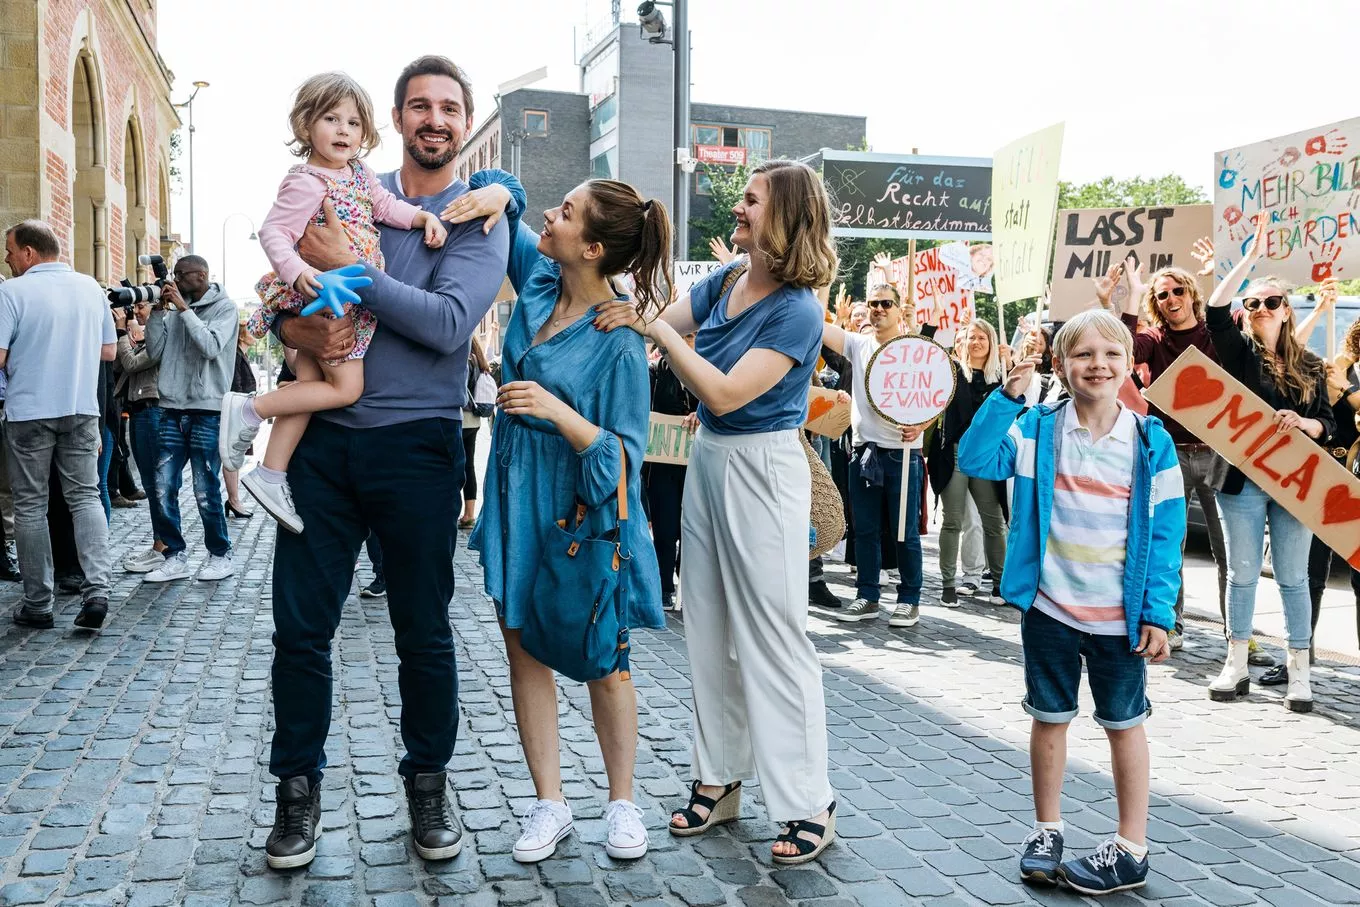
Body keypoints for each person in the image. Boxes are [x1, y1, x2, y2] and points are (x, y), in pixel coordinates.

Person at [255, 55, 522, 872]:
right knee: (301, 629)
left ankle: (428, 786)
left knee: (423, 631)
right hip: (324, 448)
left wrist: (353, 267)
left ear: (465, 121)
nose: (435, 119)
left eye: (450, 107)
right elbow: (282, 296)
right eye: (419, 105)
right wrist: (293, 325)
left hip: (417, 446)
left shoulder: (478, 217)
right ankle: (296, 791)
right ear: (396, 119)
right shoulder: (343, 187)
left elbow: (446, 325)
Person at [596, 159, 838, 865]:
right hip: (709, 459)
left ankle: (809, 801)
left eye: (751, 200)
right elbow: (657, 325)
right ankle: (720, 774)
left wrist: (660, 333)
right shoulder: (730, 278)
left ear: (784, 215)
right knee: (706, 623)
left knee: (774, 634)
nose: (739, 207)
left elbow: (726, 391)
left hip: (764, 465)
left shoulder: (798, 309)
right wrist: (620, 312)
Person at [469, 180, 667, 864]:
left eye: (568, 212)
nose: (552, 215)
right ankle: (549, 802)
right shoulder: (539, 279)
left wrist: (558, 412)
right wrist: (499, 196)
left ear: (593, 248)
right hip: (516, 497)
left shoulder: (619, 340)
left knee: (605, 659)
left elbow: (625, 460)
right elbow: (497, 193)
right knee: (523, 649)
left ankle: (622, 802)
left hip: (582, 510)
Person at [959, 308, 1182, 895]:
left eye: (1110, 354)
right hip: (1050, 609)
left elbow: (1167, 533)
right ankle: (1047, 829)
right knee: (1049, 718)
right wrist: (1007, 396)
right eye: (1082, 354)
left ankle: (1132, 846)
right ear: (1059, 365)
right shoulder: (1035, 427)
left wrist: (1158, 612)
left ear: (1129, 365)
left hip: (1119, 620)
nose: (1097, 365)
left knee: (1124, 725)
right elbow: (975, 459)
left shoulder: (1150, 442)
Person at [221, 72, 449, 532]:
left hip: (348, 295)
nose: (344, 130)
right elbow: (274, 232)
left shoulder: (360, 174)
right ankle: (249, 410)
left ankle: (269, 473)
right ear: (306, 124)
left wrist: (422, 216)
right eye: (331, 119)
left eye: (353, 122)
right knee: (345, 389)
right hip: (330, 295)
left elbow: (386, 207)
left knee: (307, 387)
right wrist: (299, 273)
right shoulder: (307, 182)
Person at [1205, 219, 1333, 712]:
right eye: (1253, 303)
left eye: (1271, 302)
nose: (1261, 309)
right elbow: (1216, 311)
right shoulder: (1239, 354)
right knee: (1241, 573)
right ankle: (1235, 663)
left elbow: (1329, 424)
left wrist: (1306, 423)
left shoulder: (1312, 366)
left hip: (1295, 481)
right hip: (1241, 479)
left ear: (1286, 310)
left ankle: (1299, 671)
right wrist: (1249, 257)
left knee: (1293, 577)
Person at [1102, 252, 1229, 655]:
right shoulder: (1155, 340)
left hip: (1218, 452)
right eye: (1161, 295)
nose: (1171, 299)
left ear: (1191, 294)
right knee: (1169, 545)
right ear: (1155, 304)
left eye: (1177, 291)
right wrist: (1127, 296)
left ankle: (1238, 633)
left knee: (1228, 551)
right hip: (1170, 454)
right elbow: (1122, 346)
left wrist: (1221, 274)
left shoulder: (1215, 334)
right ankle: (1170, 625)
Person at [0, 220, 116, 629]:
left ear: (29, 252)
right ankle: (97, 591)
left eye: (10, 251)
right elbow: (109, 350)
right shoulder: (90, 288)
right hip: (81, 406)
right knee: (85, 498)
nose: (8, 259)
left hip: (29, 410)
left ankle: (38, 603)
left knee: (31, 505)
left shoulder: (12, 292)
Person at [822, 281, 925, 627]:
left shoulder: (914, 349)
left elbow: (938, 393)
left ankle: (909, 599)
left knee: (904, 532)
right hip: (864, 452)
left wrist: (923, 424)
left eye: (886, 303)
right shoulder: (858, 343)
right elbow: (818, 326)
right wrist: (822, 284)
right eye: (873, 303)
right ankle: (867, 596)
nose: (878, 309)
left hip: (903, 453)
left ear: (898, 308)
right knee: (864, 530)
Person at [138, 254, 239, 584]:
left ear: (202, 276)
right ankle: (174, 555)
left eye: (181, 275)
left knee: (205, 488)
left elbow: (210, 347)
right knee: (163, 486)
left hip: (208, 411)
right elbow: (154, 352)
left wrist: (183, 310)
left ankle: (220, 555)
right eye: (175, 275)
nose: (176, 280)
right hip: (170, 409)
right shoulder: (174, 310)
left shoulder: (225, 308)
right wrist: (157, 314)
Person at [929, 319, 1008, 605]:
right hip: (955, 455)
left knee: (994, 523)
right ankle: (948, 585)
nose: (976, 342)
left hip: (986, 459)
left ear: (991, 342)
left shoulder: (1002, 377)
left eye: (982, 337)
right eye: (971, 337)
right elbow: (927, 352)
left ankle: (1000, 585)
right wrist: (930, 322)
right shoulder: (951, 371)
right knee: (952, 522)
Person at [114, 299, 171, 573]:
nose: (136, 311)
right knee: (152, 483)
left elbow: (131, 363)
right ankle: (162, 542)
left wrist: (122, 332)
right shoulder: (147, 336)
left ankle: (163, 544)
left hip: (152, 412)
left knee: (155, 482)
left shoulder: (162, 334)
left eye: (142, 306)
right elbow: (120, 364)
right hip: (141, 412)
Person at [646, 331, 698, 611]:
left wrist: (702, 415)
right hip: (662, 463)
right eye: (685, 336)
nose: (689, 342)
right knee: (664, 527)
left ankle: (687, 585)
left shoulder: (706, 371)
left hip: (696, 464)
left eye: (693, 336)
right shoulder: (655, 372)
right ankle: (664, 586)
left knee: (692, 527)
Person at [224, 321, 258, 519]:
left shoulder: (241, 355)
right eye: (250, 331)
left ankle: (234, 499)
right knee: (232, 455)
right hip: (237, 411)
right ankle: (233, 499)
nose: (255, 334)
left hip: (242, 410)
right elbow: (236, 385)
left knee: (236, 456)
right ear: (242, 336)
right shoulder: (236, 356)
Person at [459, 335, 491, 530]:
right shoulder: (479, 360)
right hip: (474, 420)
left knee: (455, 466)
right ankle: (469, 514)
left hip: (462, 418)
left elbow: (461, 390)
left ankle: (459, 512)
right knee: (468, 465)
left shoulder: (465, 360)